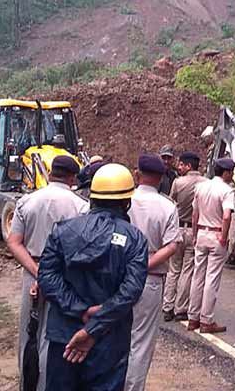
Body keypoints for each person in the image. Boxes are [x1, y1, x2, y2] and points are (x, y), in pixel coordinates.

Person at [37, 164, 148, 391]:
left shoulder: (63, 230)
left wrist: (79, 311)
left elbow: (46, 276)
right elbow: (130, 293)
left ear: (92, 196)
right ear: (127, 201)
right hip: (109, 338)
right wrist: (93, 329)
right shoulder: (135, 239)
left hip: (65, 337)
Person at [6, 155, 89, 391]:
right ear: (72, 178)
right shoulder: (80, 206)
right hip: (63, 278)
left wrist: (37, 272)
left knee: (27, 333)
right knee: (51, 337)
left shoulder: (27, 201)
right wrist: (51, 276)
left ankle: (25, 384)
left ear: (51, 172)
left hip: (32, 272)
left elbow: (14, 242)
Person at [125, 155, 182, 391]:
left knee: (114, 336)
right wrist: (145, 264)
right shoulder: (167, 206)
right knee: (141, 343)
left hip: (117, 275)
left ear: (137, 174)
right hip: (150, 281)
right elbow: (172, 245)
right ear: (160, 179)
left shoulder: (124, 199)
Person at [187, 157, 235, 333]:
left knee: (198, 276)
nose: (232, 175)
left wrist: (195, 235)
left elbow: (194, 214)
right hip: (216, 234)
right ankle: (206, 320)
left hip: (201, 232)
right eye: (231, 172)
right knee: (212, 279)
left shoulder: (201, 187)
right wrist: (224, 237)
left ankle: (192, 317)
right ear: (225, 173)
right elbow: (226, 216)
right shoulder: (227, 190)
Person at [163, 151, 208, 322]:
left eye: (181, 164)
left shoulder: (178, 182)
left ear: (189, 166)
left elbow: (170, 203)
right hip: (194, 230)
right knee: (188, 271)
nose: (179, 167)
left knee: (173, 269)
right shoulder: (205, 183)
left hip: (178, 228)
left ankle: (167, 306)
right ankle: (181, 309)